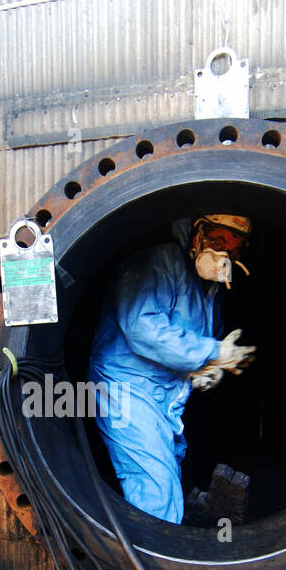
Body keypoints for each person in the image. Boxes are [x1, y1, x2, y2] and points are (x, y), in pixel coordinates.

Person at [89, 215, 257, 524]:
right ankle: (152, 569)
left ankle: (164, 553)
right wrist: (212, 352)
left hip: (167, 397)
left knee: (166, 478)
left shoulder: (211, 289)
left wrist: (205, 368)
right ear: (197, 233)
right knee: (156, 487)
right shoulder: (159, 261)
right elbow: (141, 327)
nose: (223, 255)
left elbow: (192, 340)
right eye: (218, 241)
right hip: (128, 390)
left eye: (233, 249)